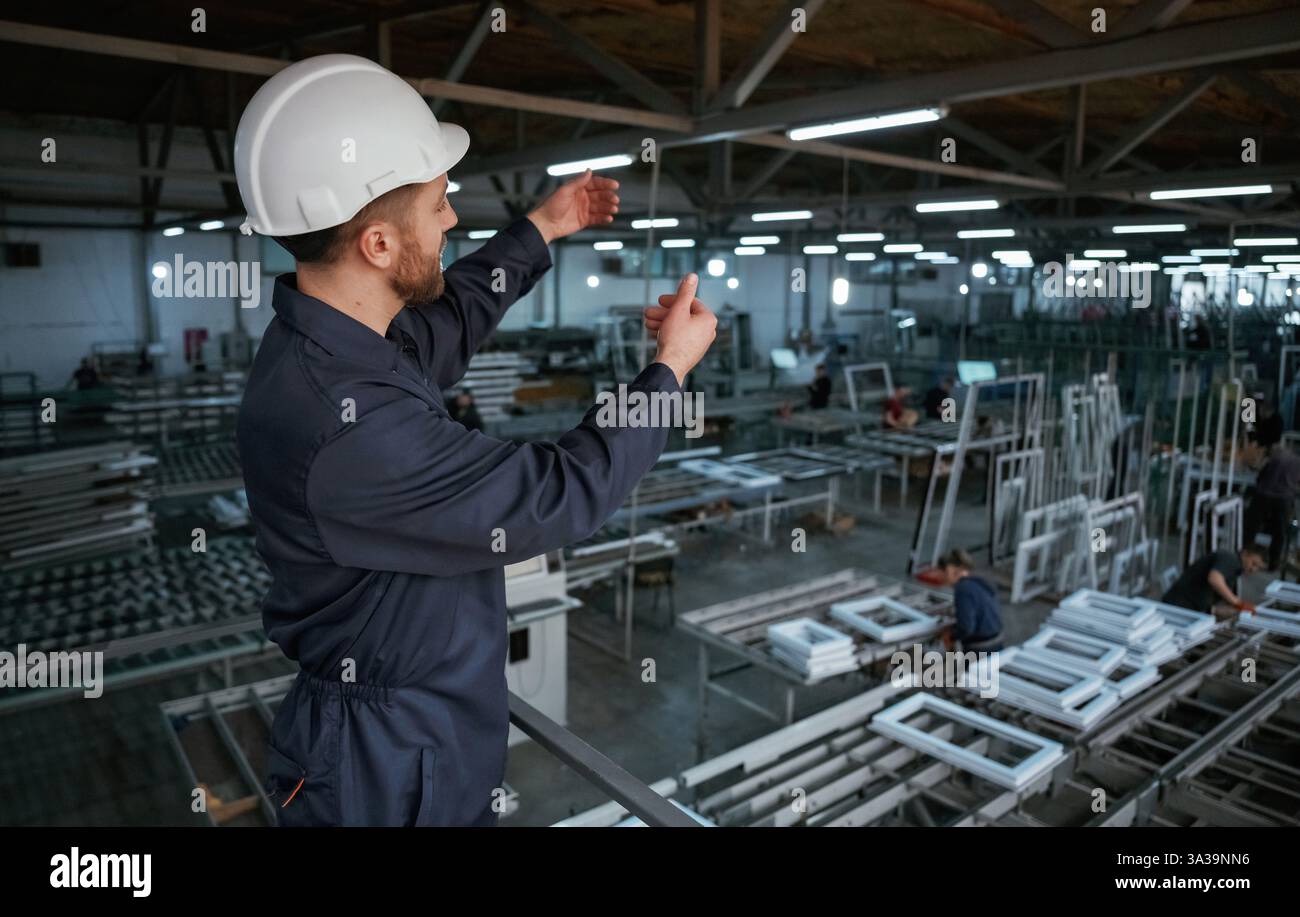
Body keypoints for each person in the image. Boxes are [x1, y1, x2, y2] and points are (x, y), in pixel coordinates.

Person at [232, 55, 716, 827]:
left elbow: (448, 316)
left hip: (416, 732)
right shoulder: (346, 425)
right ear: (380, 246)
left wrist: (546, 226)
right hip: (384, 766)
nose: (452, 218)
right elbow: (557, 493)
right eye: (438, 202)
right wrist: (669, 373)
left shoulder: (339, 344)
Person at [1161, 545, 1266, 615]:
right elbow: (1214, 579)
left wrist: (1218, 610)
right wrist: (1237, 602)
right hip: (1178, 608)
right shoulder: (1230, 559)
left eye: (1258, 568)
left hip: (1191, 610)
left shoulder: (1235, 570)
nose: (1253, 569)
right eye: (1253, 563)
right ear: (1244, 554)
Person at [1244, 444, 1300, 570]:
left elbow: (1261, 474)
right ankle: (1274, 563)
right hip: (1284, 498)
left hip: (1263, 493)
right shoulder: (1297, 462)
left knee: (1252, 527)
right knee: (1280, 532)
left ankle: (1245, 554)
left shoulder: (1277, 456)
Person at [936, 548, 1003, 652]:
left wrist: (951, 636)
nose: (941, 578)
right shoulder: (979, 582)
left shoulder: (962, 589)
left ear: (950, 570)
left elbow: (966, 628)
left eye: (942, 572)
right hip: (997, 643)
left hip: (981, 649)